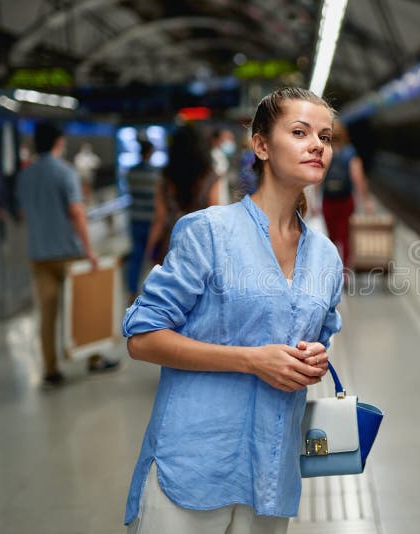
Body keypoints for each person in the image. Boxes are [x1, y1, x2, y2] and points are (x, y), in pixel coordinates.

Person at [122, 87, 343, 533]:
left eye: (325, 135)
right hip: (194, 465)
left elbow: (319, 340)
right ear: (260, 145)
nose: (317, 144)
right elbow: (142, 338)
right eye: (299, 132)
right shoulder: (209, 233)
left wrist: (313, 360)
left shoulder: (326, 257)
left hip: (271, 472)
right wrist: (251, 360)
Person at [16, 121, 119, 387]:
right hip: (67, 253)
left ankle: (51, 369)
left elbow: (23, 213)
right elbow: (77, 213)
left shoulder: (25, 175)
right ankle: (93, 359)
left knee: (47, 313)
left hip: (38, 254)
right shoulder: (64, 172)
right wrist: (89, 250)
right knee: (83, 305)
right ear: (58, 142)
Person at [145, 124, 219, 265]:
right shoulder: (210, 177)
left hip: (172, 245)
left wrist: (150, 249)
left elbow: (159, 219)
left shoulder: (166, 177)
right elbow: (214, 216)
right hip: (201, 247)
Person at [319, 120, 373, 269]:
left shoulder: (324, 151)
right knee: (345, 237)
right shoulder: (350, 152)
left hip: (328, 200)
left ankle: (332, 268)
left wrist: (312, 201)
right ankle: (345, 270)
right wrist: (365, 200)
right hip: (345, 200)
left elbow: (319, 176)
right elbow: (358, 177)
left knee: (332, 236)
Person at [125, 139, 160, 301]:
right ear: (150, 153)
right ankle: (153, 293)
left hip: (135, 220)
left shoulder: (131, 173)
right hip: (151, 221)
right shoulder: (155, 174)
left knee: (136, 257)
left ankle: (132, 292)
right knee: (153, 257)